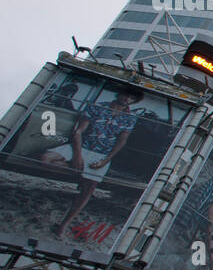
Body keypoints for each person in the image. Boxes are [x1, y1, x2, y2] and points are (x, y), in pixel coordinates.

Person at [39, 87, 144, 241]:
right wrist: (77, 156)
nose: (127, 100)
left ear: (134, 102)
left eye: (131, 99)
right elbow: (78, 131)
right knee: (45, 159)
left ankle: (63, 225)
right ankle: (77, 170)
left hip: (101, 155)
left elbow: (122, 141)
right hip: (81, 146)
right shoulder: (98, 106)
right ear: (119, 93)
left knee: (88, 190)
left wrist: (106, 160)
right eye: (126, 95)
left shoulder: (130, 118)